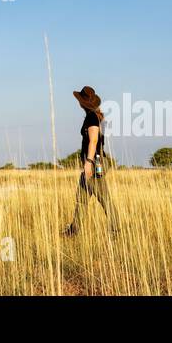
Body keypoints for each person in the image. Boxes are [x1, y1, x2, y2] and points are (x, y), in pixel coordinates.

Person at [63, 85, 118, 236]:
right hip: (95, 162)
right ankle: (74, 230)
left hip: (95, 163)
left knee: (103, 197)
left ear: (83, 102)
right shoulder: (92, 116)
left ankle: (115, 229)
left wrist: (89, 162)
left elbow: (93, 141)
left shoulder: (92, 117)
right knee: (81, 198)